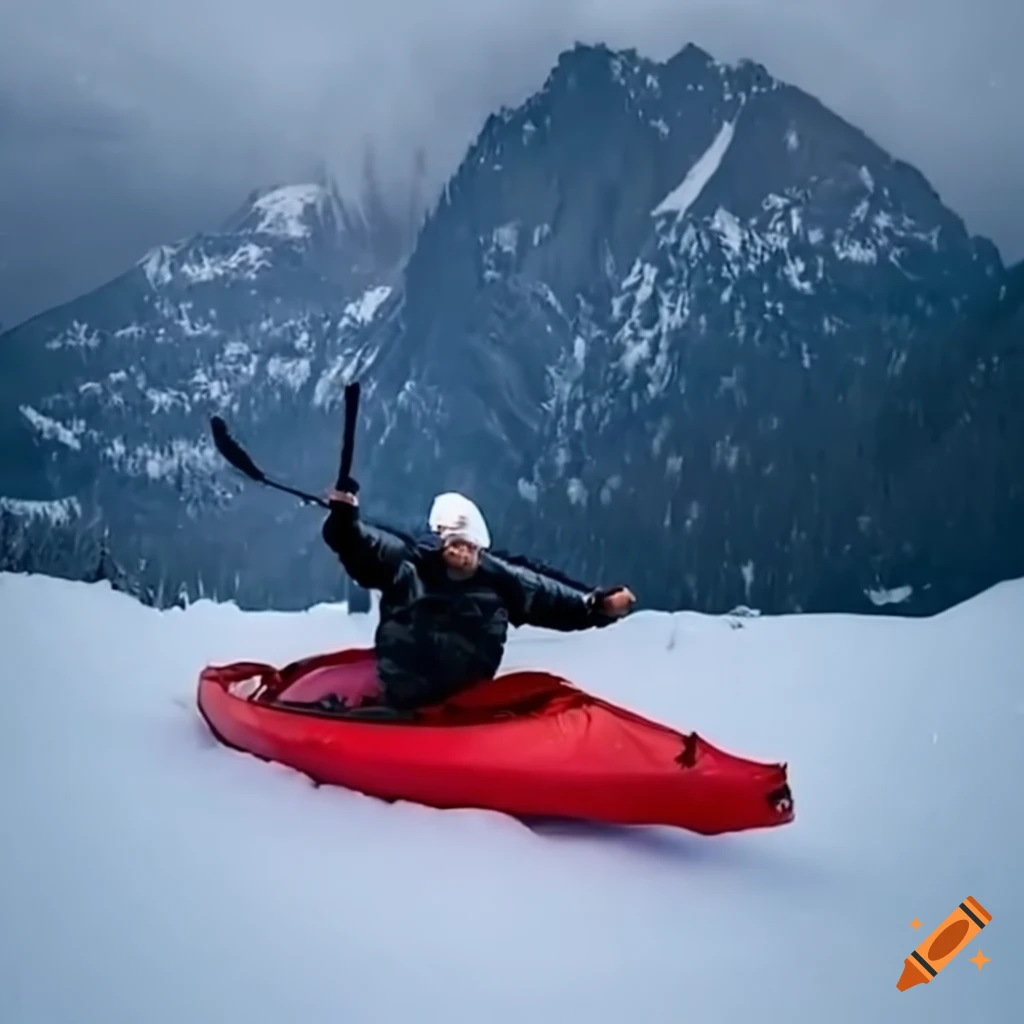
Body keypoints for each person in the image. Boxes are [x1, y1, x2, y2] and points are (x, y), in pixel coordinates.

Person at [321, 486, 636, 710]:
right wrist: (344, 521)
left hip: (467, 703)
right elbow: (359, 544)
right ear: (439, 542)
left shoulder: (502, 580)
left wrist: (598, 606)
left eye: (467, 545)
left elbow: (553, 597)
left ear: (479, 546)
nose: (460, 552)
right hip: (404, 697)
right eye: (453, 544)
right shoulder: (405, 564)